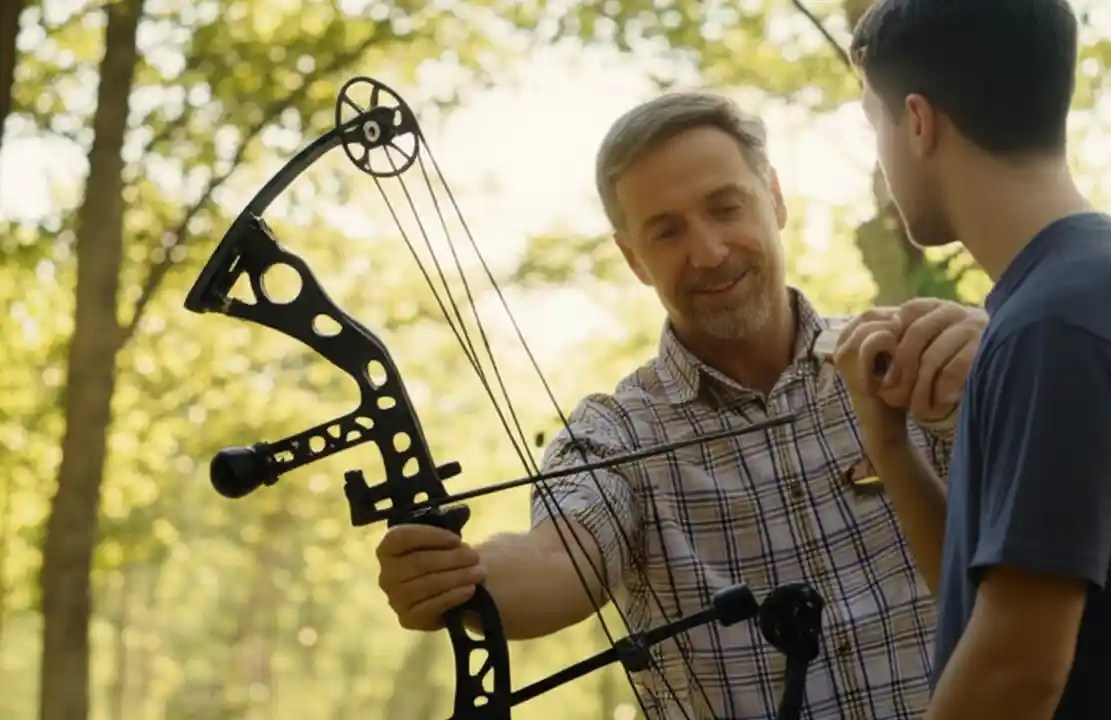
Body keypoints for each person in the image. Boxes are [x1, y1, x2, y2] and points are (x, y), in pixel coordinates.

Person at [374, 91, 988, 718]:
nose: (710, 252)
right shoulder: (614, 433)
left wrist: (996, 377)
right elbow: (560, 560)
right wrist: (460, 578)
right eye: (666, 231)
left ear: (774, 197)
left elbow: (1042, 548)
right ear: (634, 257)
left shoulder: (905, 361)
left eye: (726, 208)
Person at [830, 1, 1111, 718]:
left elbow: (1016, 671)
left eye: (875, 123)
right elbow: (994, 608)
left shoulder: (1060, 326)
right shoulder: (1098, 293)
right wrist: (890, 446)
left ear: (919, 121)